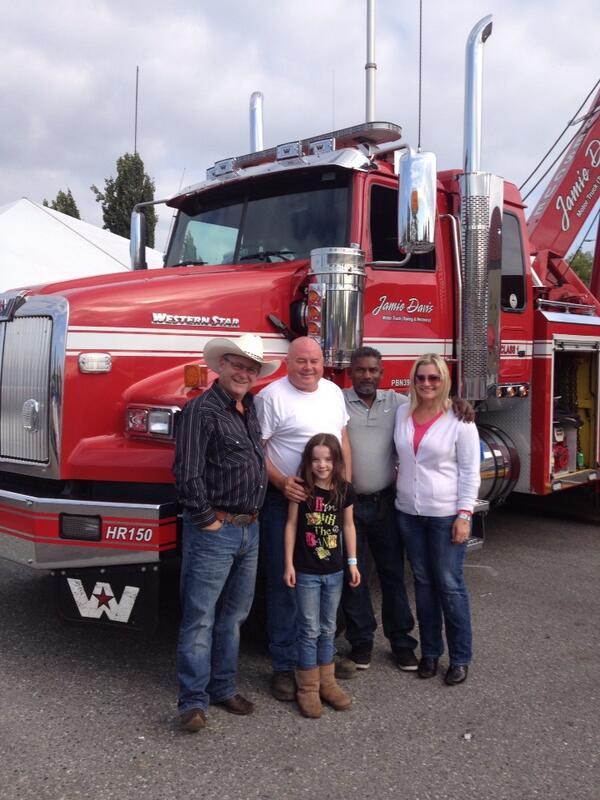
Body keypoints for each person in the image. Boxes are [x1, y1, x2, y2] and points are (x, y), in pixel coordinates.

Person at [173, 333, 280, 732]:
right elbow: (187, 475)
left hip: (249, 530)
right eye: (238, 365)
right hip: (216, 530)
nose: (244, 373)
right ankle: (193, 701)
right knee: (200, 618)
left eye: (251, 368)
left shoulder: (247, 409)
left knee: (233, 617)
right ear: (221, 367)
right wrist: (208, 520)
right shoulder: (200, 411)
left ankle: (222, 687)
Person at [255, 336, 352, 702]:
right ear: (287, 362)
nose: (308, 368)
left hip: (327, 507)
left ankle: (317, 661)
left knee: (327, 582)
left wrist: (346, 490)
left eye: (314, 361)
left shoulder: (332, 392)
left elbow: (343, 438)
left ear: (323, 361)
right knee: (286, 585)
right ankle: (284, 666)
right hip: (287, 504)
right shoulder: (271, 397)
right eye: (301, 362)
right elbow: (257, 451)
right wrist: (282, 483)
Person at [394, 353, 480, 686]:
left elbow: (471, 471)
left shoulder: (460, 418)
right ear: (413, 380)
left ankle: (460, 658)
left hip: (446, 516)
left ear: (444, 380)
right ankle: (430, 653)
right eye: (421, 378)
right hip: (409, 514)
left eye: (434, 378)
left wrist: (464, 514)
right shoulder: (402, 411)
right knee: (424, 585)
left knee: (449, 585)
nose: (427, 383)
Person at [341, 347, 419, 671]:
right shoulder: (337, 401)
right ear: (351, 373)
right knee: (354, 576)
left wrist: (460, 407)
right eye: (361, 370)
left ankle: (401, 643)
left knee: (392, 574)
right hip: (349, 506)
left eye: (373, 370)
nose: (367, 376)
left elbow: (432, 407)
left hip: (385, 503)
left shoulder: (397, 404)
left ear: (382, 373)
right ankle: (361, 642)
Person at [283, 433, 360, 718]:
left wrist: (352, 562)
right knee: (308, 630)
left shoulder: (344, 490)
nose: (322, 465)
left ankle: (327, 683)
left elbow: (349, 527)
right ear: (308, 461)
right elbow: (291, 526)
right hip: (306, 572)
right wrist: (288, 564)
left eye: (328, 459)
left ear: (336, 461)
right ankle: (308, 688)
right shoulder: (302, 490)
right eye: (316, 459)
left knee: (328, 628)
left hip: (335, 571)